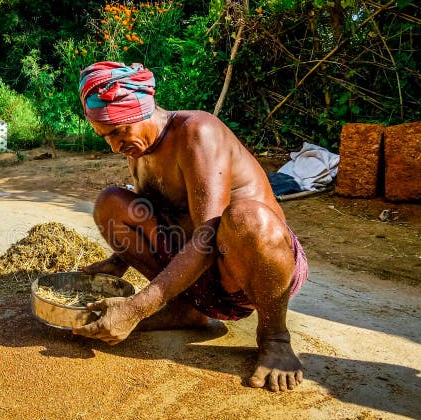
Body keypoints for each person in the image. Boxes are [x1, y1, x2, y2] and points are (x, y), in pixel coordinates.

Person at [73, 61, 308, 392]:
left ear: (142, 110)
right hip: (200, 279)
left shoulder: (197, 131)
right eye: (105, 136)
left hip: (250, 273)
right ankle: (185, 310)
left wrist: (136, 308)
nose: (114, 145)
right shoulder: (138, 150)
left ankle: (275, 335)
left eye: (119, 131)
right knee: (112, 203)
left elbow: (207, 237)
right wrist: (117, 261)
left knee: (246, 219)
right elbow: (154, 211)